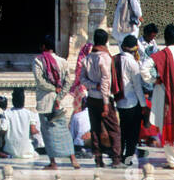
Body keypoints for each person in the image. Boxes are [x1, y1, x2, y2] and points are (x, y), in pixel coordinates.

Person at [142, 23, 174, 169]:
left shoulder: (160, 56)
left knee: (166, 124)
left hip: (164, 94)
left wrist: (153, 80)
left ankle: (172, 161)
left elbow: (144, 68)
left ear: (165, 38)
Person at [78, 28, 122, 168]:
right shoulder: (105, 58)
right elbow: (105, 82)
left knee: (95, 130)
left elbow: (82, 79)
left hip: (91, 98)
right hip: (103, 99)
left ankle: (98, 159)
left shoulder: (87, 59)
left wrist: (92, 85)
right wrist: (105, 103)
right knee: (114, 129)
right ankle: (116, 159)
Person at [33, 35, 77, 170]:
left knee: (47, 132)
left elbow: (40, 81)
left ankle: (53, 162)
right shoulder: (62, 61)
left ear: (44, 47)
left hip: (45, 102)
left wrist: (53, 89)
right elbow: (69, 82)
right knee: (63, 130)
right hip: (59, 102)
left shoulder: (38, 61)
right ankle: (73, 159)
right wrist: (59, 95)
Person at [116, 34, 147, 166]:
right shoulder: (133, 63)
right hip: (132, 103)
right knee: (132, 133)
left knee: (121, 132)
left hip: (118, 102)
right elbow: (138, 87)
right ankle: (127, 158)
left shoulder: (114, 59)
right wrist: (144, 104)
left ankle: (118, 156)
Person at [0, 88, 40, 159]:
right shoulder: (30, 114)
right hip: (27, 152)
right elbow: (33, 131)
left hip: (10, 151)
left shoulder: (6, 113)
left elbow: (3, 129)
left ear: (13, 100)